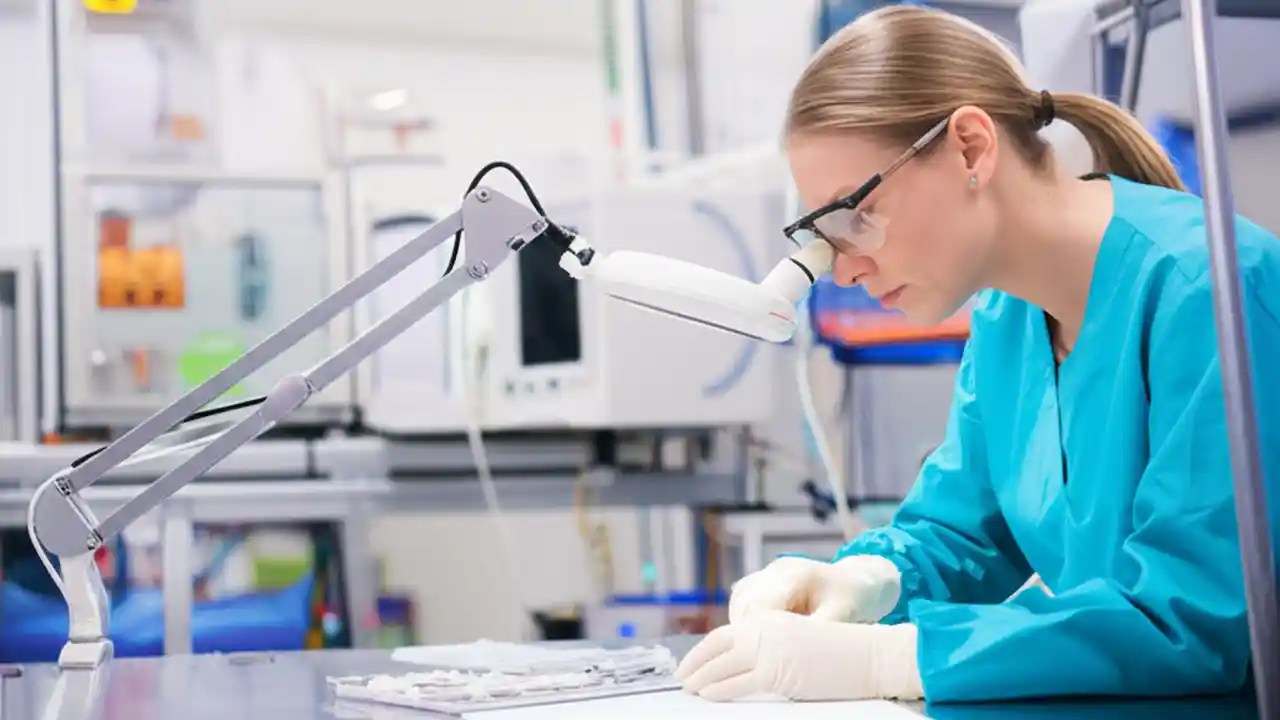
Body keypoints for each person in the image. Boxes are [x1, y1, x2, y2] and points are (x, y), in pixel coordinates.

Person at [675, 4, 1280, 705]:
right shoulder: (1007, 316)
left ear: (969, 146)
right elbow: (960, 532)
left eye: (853, 216)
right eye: (824, 236)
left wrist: (891, 659)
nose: (843, 271)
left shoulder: (1210, 289)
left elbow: (1190, 617)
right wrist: (865, 581)